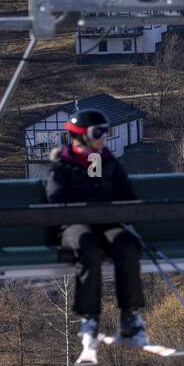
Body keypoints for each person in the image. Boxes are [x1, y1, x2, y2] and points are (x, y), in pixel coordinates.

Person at [45, 109, 147, 351]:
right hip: (74, 226)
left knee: (126, 245)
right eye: (99, 132)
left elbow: (128, 197)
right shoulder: (64, 165)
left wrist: (122, 215)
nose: (105, 137)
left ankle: (129, 315)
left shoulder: (110, 163)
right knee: (89, 248)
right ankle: (89, 317)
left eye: (106, 131)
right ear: (82, 136)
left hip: (108, 224)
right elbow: (55, 202)